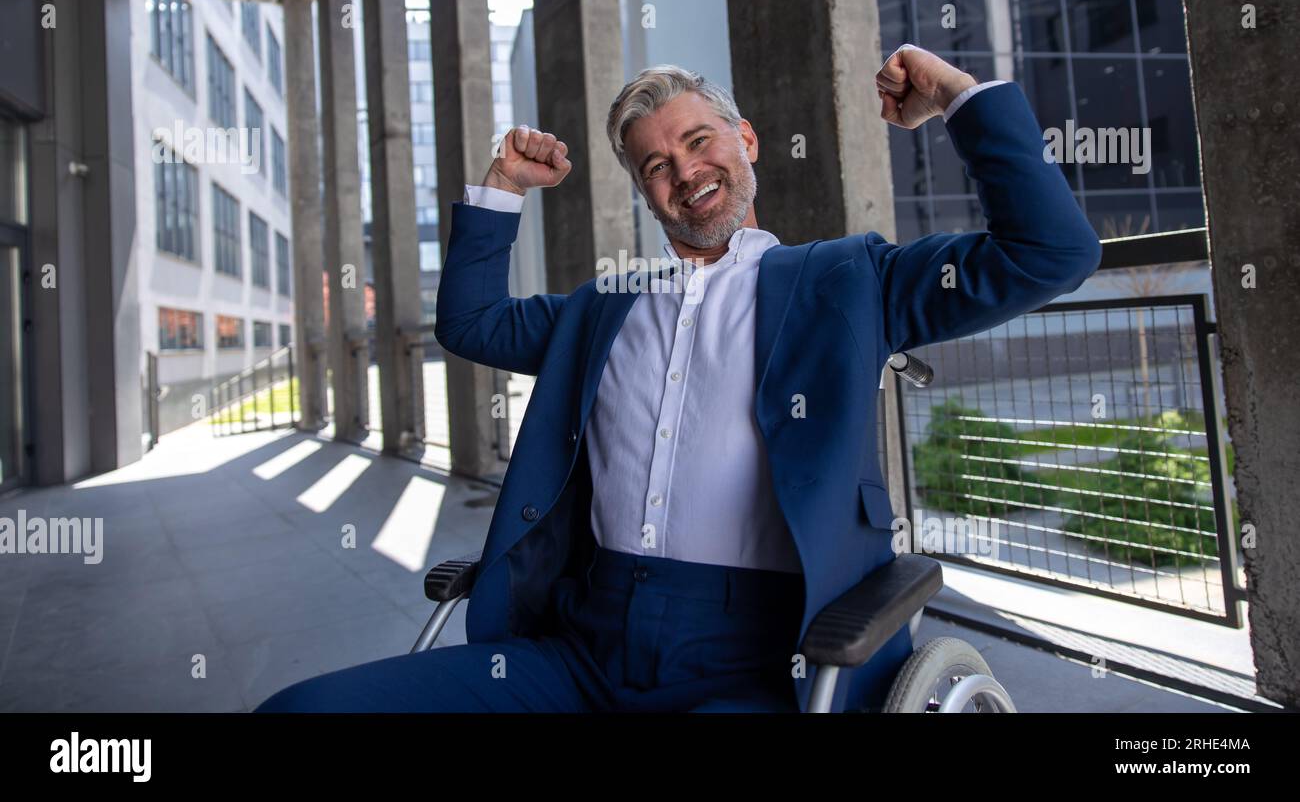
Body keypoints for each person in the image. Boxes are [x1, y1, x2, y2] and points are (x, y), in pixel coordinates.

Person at [255, 44, 1101, 712]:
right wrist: (503, 186)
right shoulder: (603, 308)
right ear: (646, 195)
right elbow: (469, 323)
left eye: (699, 141)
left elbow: (1049, 253)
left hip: (756, 663)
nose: (685, 170)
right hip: (579, 647)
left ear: (747, 142)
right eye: (656, 164)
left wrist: (957, 95)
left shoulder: (847, 281)